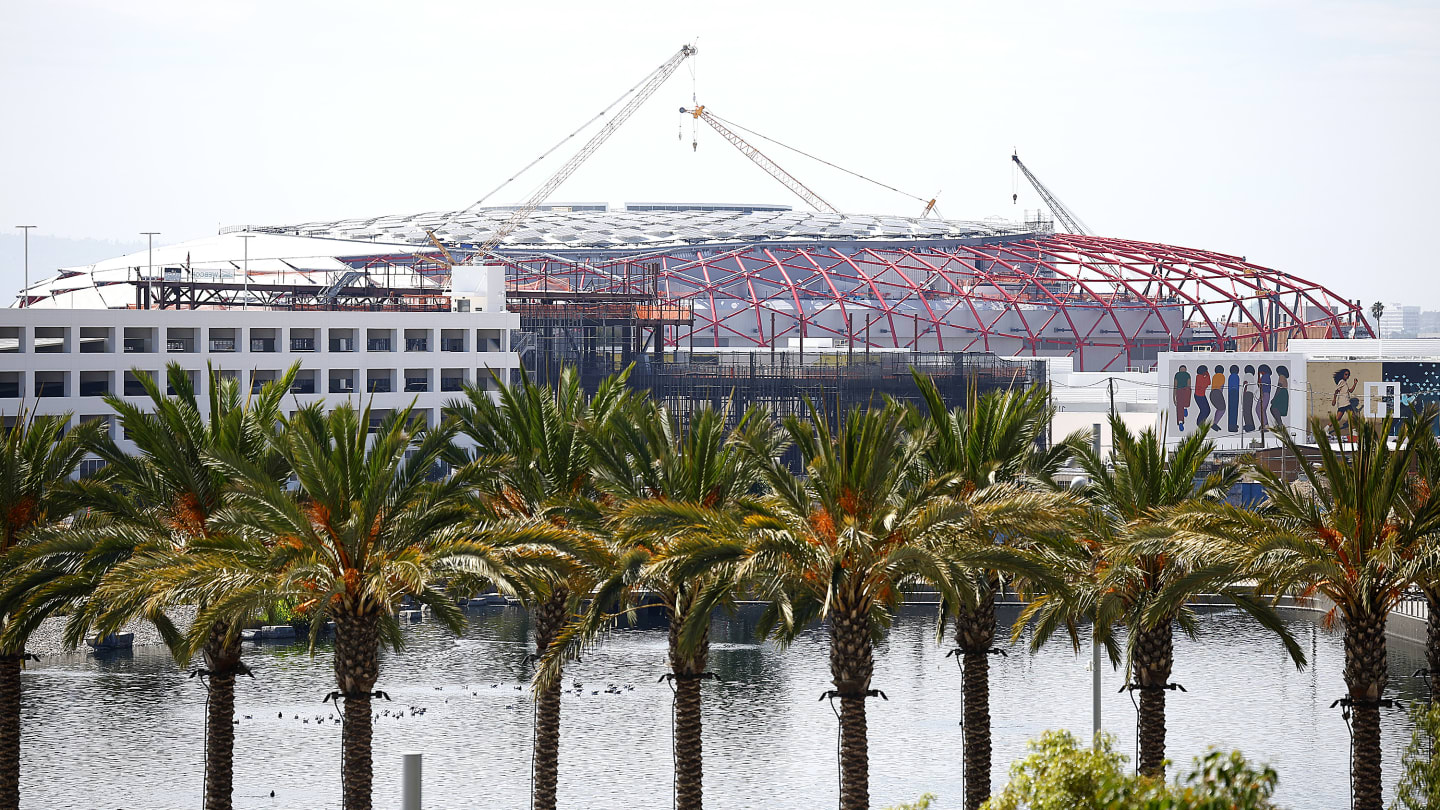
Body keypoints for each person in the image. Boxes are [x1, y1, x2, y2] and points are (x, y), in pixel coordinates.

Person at [1173, 365, 1192, 431]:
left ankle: (1181, 421)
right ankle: (1185, 408)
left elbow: (1175, 385)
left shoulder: (1178, 375)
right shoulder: (1187, 374)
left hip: (1180, 391)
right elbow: (1189, 385)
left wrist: (1174, 397)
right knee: (1184, 401)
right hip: (1184, 390)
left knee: (1179, 407)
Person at [1209, 365, 1227, 431]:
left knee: (1219, 408)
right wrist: (1220, 394)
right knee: (1222, 408)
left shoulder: (1214, 376)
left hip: (1212, 393)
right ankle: (1214, 423)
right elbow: (1221, 386)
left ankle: (1215, 423)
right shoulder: (1222, 376)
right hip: (1217, 392)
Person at [1241, 365, 1257, 432]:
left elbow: (1245, 384)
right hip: (1250, 393)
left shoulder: (1247, 375)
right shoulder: (1252, 376)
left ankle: (1249, 425)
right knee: (1248, 410)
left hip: (1247, 393)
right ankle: (1250, 424)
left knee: (1245, 410)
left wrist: (1243, 394)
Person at [1257, 365, 1273, 431]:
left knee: (1260, 409)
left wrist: (1259, 378)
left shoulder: (1265, 376)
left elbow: (1261, 385)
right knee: (1260, 409)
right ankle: (1264, 424)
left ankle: (1265, 425)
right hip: (1265, 394)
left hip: (1264, 394)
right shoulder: (1266, 376)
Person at [1227, 364, 1241, 432]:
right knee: (1234, 410)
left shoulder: (1230, 376)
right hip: (1235, 393)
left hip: (1230, 393)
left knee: (1231, 410)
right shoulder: (1236, 376)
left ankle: (1231, 425)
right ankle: (1233, 425)